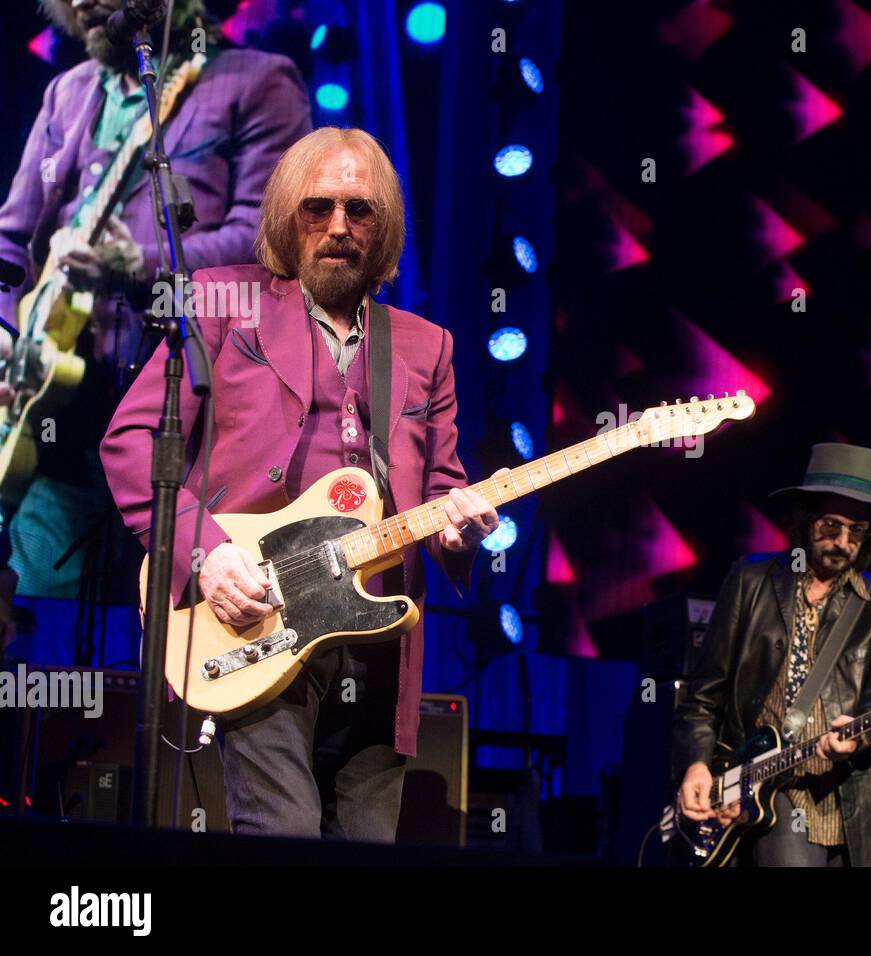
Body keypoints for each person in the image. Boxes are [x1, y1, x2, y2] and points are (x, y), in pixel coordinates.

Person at [100, 126, 499, 840]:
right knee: (282, 835)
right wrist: (206, 551)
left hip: (377, 637)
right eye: (318, 208)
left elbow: (443, 488)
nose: (339, 227)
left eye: (360, 210)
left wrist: (460, 530)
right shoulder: (223, 302)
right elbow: (132, 442)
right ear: (288, 214)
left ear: (385, 227)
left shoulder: (424, 345)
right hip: (254, 610)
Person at [0, 0, 311, 615]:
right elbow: (12, 242)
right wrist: (6, 326)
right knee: (41, 617)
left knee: (174, 634)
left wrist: (137, 261)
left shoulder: (256, 81)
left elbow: (268, 241)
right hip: (58, 413)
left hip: (185, 419)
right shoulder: (69, 93)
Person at [673, 443, 871, 866]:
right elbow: (703, 692)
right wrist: (696, 764)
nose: (842, 542)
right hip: (769, 787)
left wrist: (860, 734)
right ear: (805, 521)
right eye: (831, 526)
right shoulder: (751, 580)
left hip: (853, 792)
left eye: (856, 532)